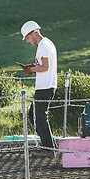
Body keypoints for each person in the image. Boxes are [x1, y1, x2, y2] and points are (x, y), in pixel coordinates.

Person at [20, 20, 57, 150]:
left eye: (27, 37)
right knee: (35, 116)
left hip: (45, 87)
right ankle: (49, 145)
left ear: (33, 33)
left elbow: (45, 67)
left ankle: (49, 148)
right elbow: (43, 65)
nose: (27, 41)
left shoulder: (43, 46)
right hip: (46, 86)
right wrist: (33, 67)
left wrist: (31, 69)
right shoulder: (47, 43)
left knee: (39, 117)